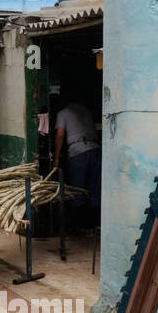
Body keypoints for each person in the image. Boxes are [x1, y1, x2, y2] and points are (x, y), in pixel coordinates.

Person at [54, 97, 101, 229]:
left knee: (77, 190)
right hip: (95, 149)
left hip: (78, 152)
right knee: (95, 189)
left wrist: (56, 158)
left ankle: (78, 226)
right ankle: (95, 225)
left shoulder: (62, 113)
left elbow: (60, 135)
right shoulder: (85, 109)